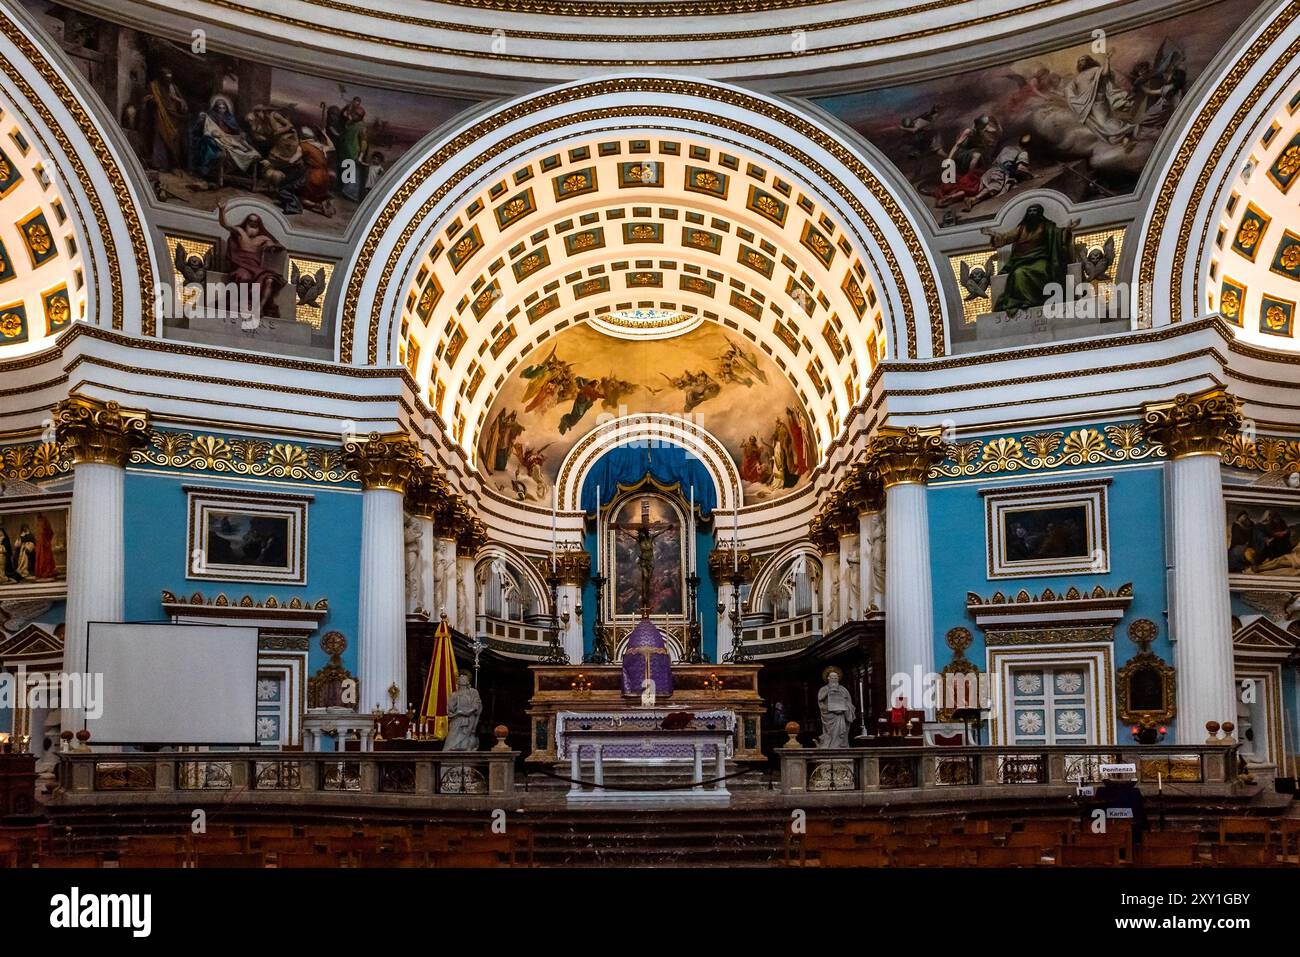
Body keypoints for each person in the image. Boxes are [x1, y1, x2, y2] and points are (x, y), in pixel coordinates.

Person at [982, 204, 1079, 314]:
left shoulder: (1047, 226)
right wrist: (992, 234)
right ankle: (1024, 301)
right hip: (1022, 261)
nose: (1032, 213)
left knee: (1042, 269)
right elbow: (1005, 238)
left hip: (1040, 259)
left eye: (1035, 211)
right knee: (1018, 273)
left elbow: (1059, 234)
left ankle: (1038, 299)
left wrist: (1068, 230)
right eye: (1030, 211)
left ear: (1040, 213)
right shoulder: (1021, 228)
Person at [217, 202, 286, 318]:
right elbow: (225, 224)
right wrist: (221, 211)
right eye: (251, 221)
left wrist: (271, 246)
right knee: (244, 276)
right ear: (247, 223)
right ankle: (241, 304)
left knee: (269, 280)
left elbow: (278, 246)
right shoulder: (240, 233)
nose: (253, 224)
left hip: (257, 269)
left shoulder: (263, 238)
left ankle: (259, 308)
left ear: (259, 225)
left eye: (255, 222)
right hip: (242, 266)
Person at [817, 667, 856, 748]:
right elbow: (820, 701)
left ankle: (841, 746)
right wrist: (829, 708)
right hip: (829, 716)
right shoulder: (824, 689)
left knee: (841, 733)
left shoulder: (843, 690)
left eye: (835, 677)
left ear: (838, 678)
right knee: (830, 734)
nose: (834, 679)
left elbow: (850, 704)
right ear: (828, 678)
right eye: (832, 678)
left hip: (840, 715)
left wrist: (844, 708)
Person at [443, 673, 482, 751]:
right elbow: (449, 709)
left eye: (464, 678)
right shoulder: (454, 694)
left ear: (468, 681)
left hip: (470, 718)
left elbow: (477, 705)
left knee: (467, 740)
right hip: (457, 719)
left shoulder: (473, 692)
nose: (462, 678)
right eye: (461, 678)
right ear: (458, 681)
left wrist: (468, 711)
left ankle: (466, 749)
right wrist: (458, 713)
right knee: (450, 742)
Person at [34, 513, 56, 580]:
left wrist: (47, 541)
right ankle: (40, 572)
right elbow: (38, 532)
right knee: (40, 557)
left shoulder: (45, 520)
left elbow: (50, 532)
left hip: (45, 542)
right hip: (40, 543)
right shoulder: (38, 522)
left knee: (46, 558)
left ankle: (47, 572)